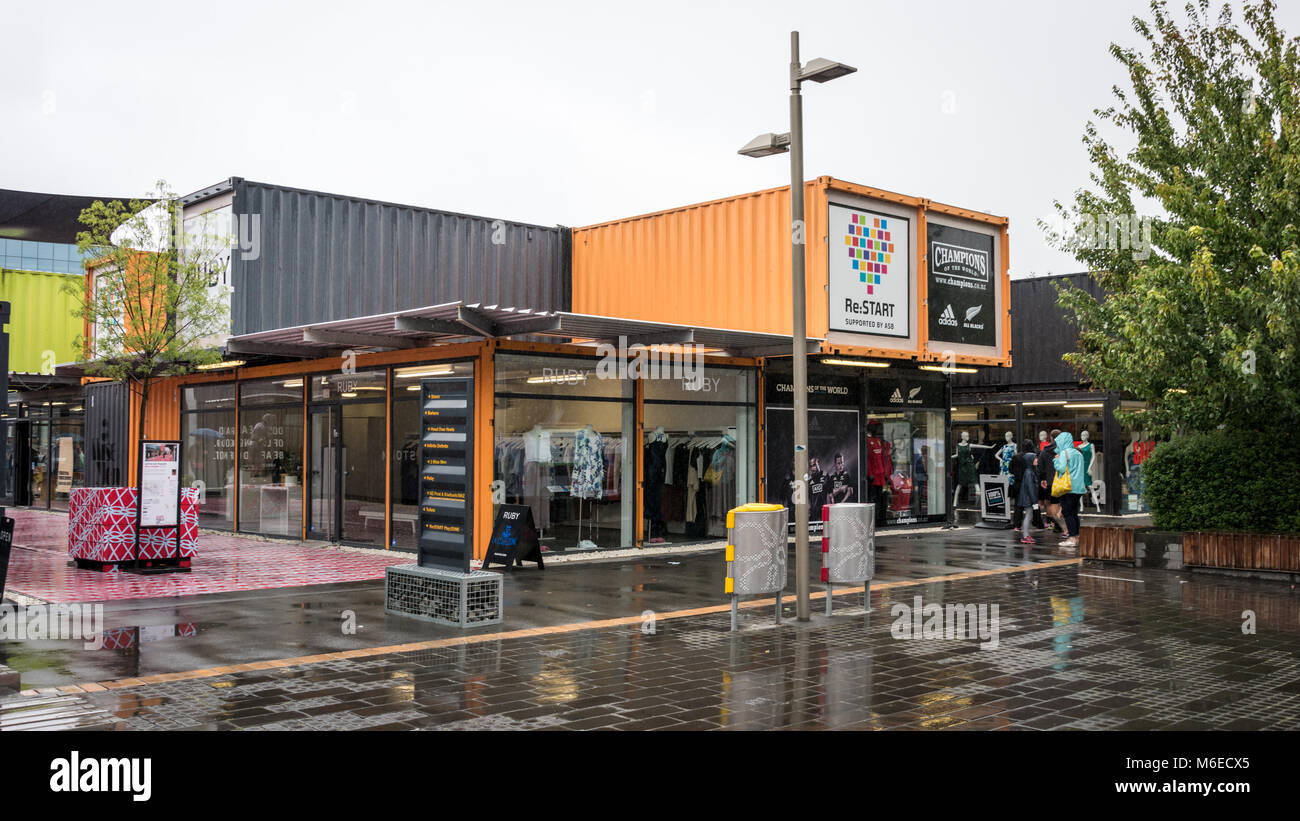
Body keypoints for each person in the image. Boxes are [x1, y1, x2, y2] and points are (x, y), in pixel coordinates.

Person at [1053, 430, 1087, 548]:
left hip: (1068, 487)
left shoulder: (1064, 453)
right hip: (1079, 488)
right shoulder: (1078, 453)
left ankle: (1072, 538)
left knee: (1067, 513)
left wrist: (1056, 460)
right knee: (1074, 513)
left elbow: (1061, 468)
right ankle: (1076, 537)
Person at [1036, 429, 1067, 535]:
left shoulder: (1045, 450)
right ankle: (1064, 526)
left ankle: (1056, 525)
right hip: (1063, 480)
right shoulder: (1064, 450)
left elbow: (1040, 467)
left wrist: (1042, 479)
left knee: (1053, 503)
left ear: (1051, 438)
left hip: (1050, 481)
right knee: (1064, 503)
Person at [1015, 438, 1040, 544]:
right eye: (1035, 459)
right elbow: (1031, 488)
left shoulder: (1029, 471)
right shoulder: (1030, 472)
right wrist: (1035, 502)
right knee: (1028, 516)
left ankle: (1026, 535)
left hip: (1027, 497)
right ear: (1030, 460)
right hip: (1029, 498)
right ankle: (1025, 536)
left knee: (1028, 516)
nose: (1037, 460)